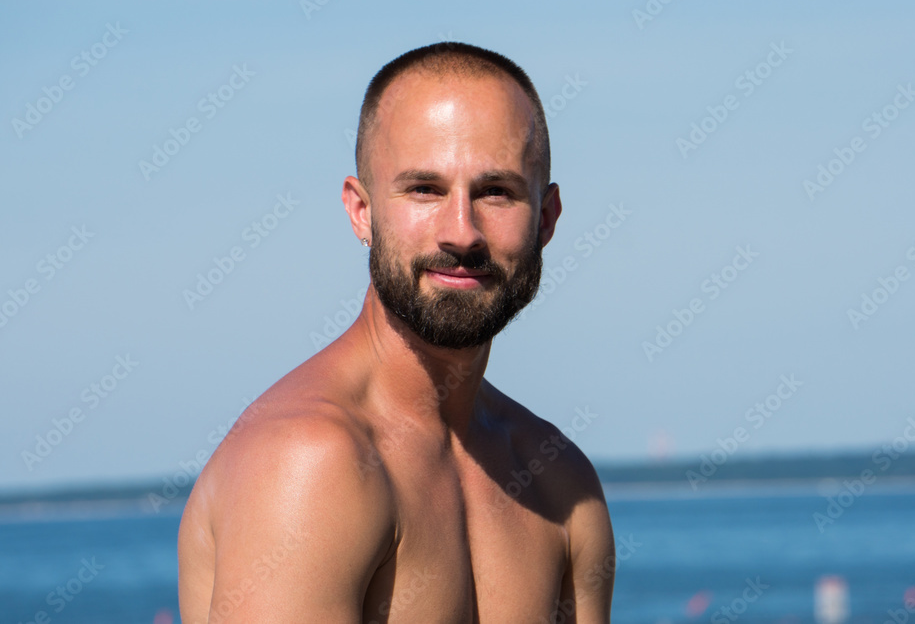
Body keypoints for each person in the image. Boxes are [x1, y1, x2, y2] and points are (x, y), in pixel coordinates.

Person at [178, 41, 616, 623]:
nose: (462, 232)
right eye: (424, 189)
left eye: (496, 192)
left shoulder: (560, 484)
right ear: (361, 212)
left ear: (547, 218)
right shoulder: (310, 463)